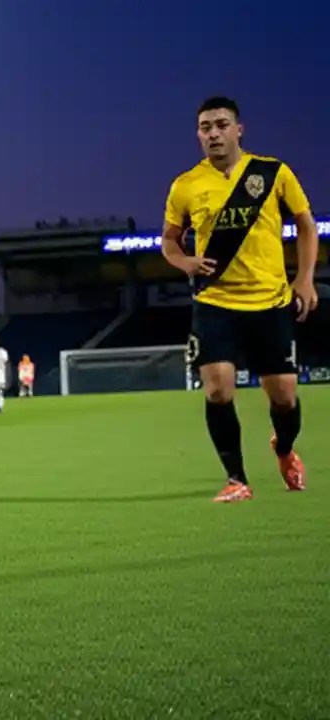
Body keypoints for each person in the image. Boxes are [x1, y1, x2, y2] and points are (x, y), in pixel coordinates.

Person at [160, 96, 317, 503]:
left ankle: (283, 449)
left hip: (270, 301)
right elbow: (169, 241)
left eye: (221, 124)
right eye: (205, 127)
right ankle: (236, 479)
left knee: (283, 395)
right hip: (216, 303)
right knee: (217, 391)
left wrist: (305, 279)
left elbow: (305, 225)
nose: (213, 133)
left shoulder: (272, 172)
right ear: (198, 134)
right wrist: (186, 262)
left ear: (239, 129)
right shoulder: (186, 185)